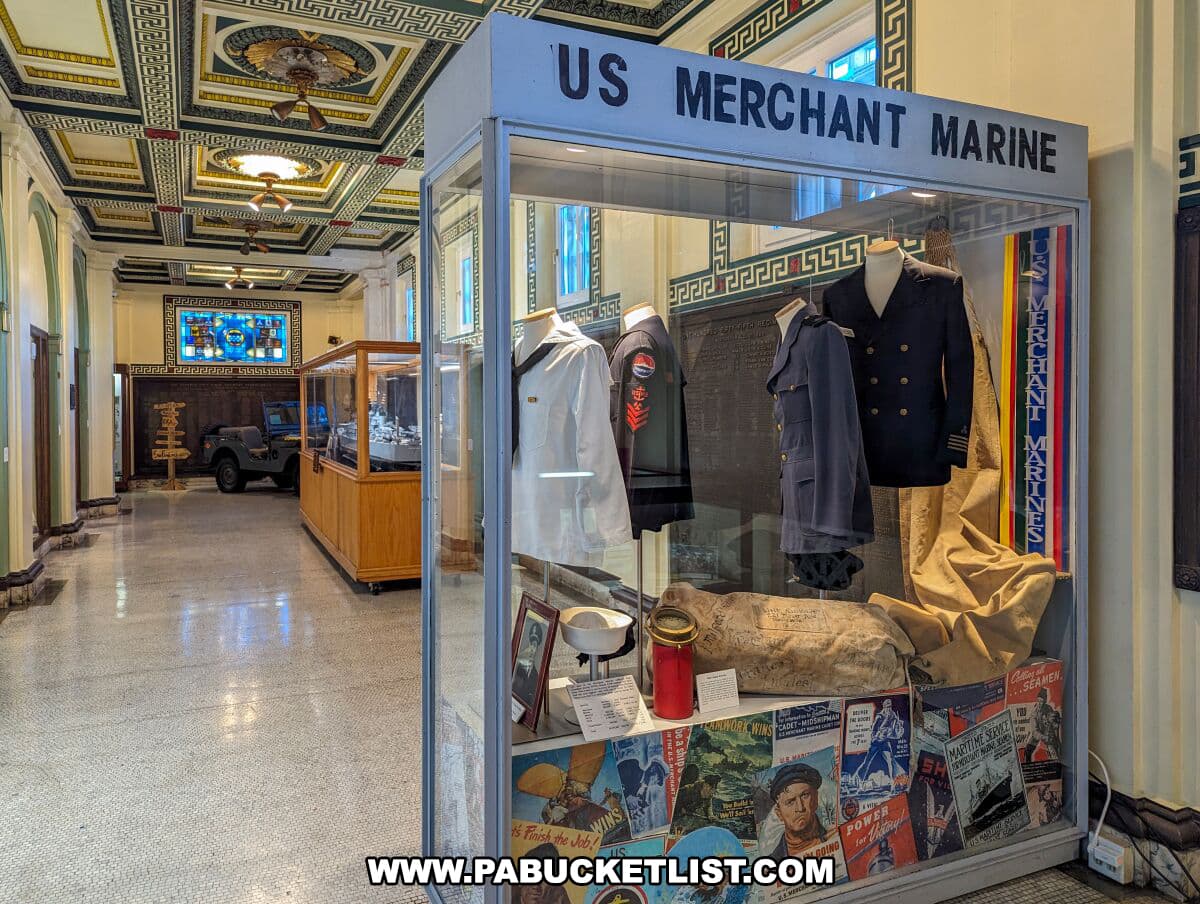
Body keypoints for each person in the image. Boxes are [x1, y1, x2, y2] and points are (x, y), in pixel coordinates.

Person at [767, 763, 833, 859]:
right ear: (779, 813)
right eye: (790, 802)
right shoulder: (772, 862)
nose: (800, 808)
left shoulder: (834, 837)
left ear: (815, 799)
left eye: (805, 795)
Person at [853, 699, 905, 788]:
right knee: (867, 762)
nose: (889, 709)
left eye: (890, 707)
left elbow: (896, 732)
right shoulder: (880, 716)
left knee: (890, 760)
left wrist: (898, 726)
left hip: (885, 742)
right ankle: (859, 779)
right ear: (884, 707)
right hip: (876, 742)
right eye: (887, 707)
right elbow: (873, 729)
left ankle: (893, 782)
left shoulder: (893, 716)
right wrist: (874, 737)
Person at [512, 619, 546, 704]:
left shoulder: (536, 676)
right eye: (532, 638)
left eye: (536, 640)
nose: (533, 647)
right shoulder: (517, 665)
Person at [1024, 688, 1062, 761]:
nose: (1040, 703)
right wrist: (1044, 737)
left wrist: (1055, 725)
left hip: (1047, 731)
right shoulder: (1034, 713)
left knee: (1055, 750)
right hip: (1038, 733)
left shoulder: (1048, 708)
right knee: (1028, 750)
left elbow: (1052, 722)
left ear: (1045, 701)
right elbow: (1035, 732)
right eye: (1038, 701)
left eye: (1042, 701)